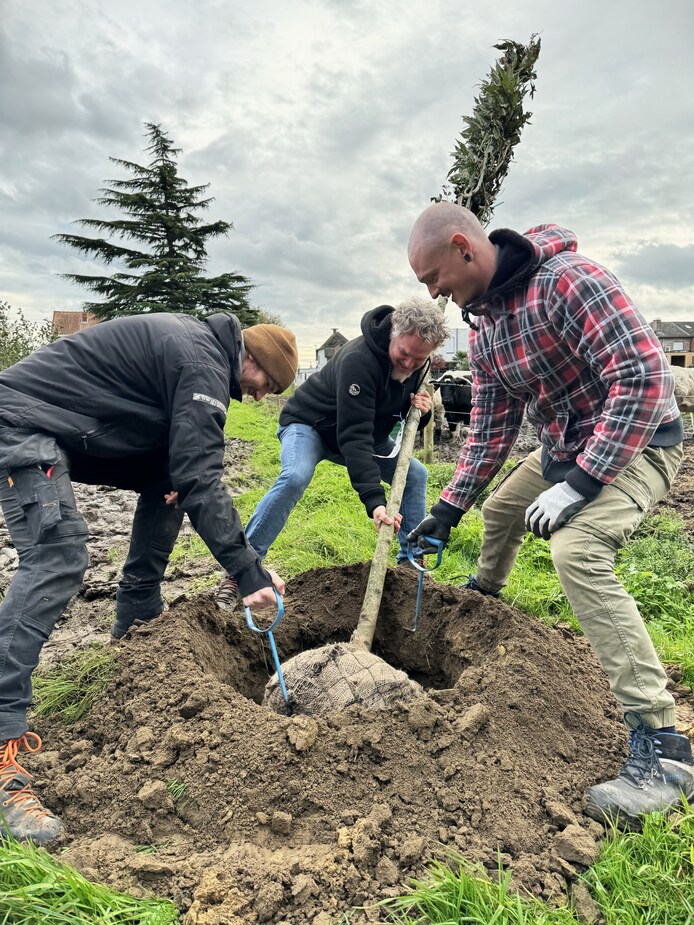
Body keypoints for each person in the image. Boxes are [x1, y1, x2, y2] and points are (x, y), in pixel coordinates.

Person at [406, 201, 693, 829]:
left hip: (636, 439)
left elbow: (645, 379)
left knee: (576, 551)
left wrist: (584, 482)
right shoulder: (484, 328)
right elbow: (488, 427)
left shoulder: (570, 281)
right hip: (564, 446)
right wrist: (449, 509)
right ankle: (486, 599)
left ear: (463, 247)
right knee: (504, 508)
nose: (432, 293)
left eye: (432, 279)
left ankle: (664, 747)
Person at [0, 311, 298, 843]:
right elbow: (203, 473)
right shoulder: (201, 358)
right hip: (20, 423)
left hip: (54, 427)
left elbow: (182, 462)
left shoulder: (200, 351)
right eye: (265, 385)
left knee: (172, 489)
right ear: (249, 359)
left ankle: (139, 662)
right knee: (59, 556)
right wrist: (249, 573)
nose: (258, 397)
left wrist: (165, 477)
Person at [214, 300, 449, 610]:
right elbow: (354, 436)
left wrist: (421, 411)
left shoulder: (419, 366)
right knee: (295, 476)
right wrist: (375, 502)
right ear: (394, 332)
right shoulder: (360, 360)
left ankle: (410, 567)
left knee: (417, 474)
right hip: (309, 425)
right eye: (404, 354)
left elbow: (399, 416)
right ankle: (240, 571)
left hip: (362, 434)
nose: (408, 364)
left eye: (418, 359)